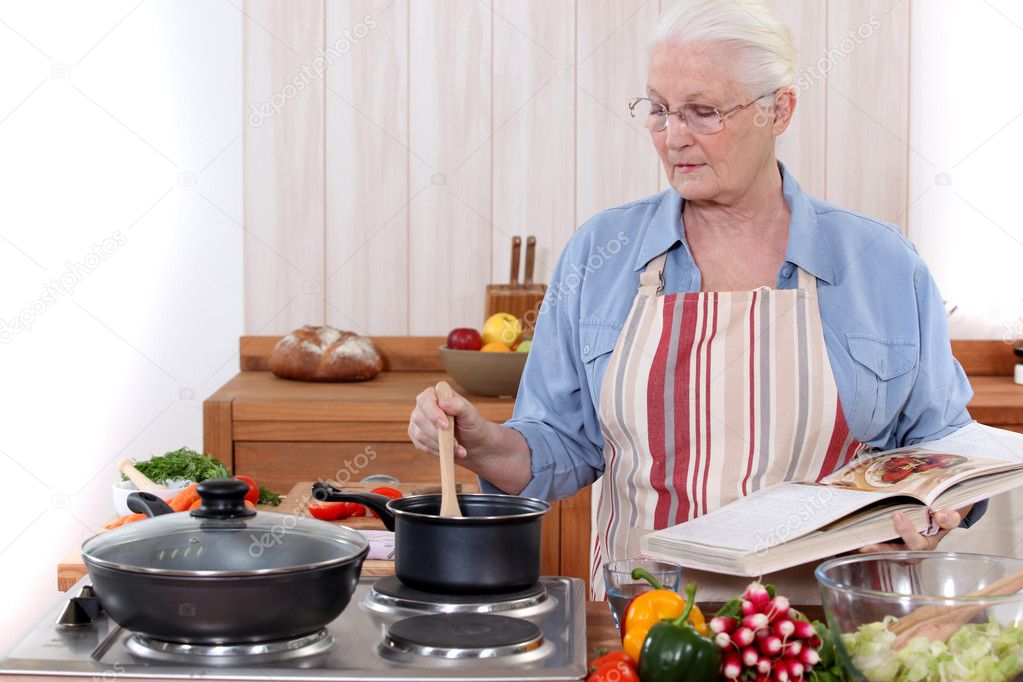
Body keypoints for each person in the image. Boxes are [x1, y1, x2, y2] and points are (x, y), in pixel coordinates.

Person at [407, 0, 985, 599]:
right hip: (648, 627)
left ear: (779, 110)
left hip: (828, 630)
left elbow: (947, 455)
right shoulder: (602, 252)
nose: (672, 137)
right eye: (658, 110)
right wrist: (485, 442)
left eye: (703, 112)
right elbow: (562, 447)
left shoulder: (883, 264)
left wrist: (936, 511)